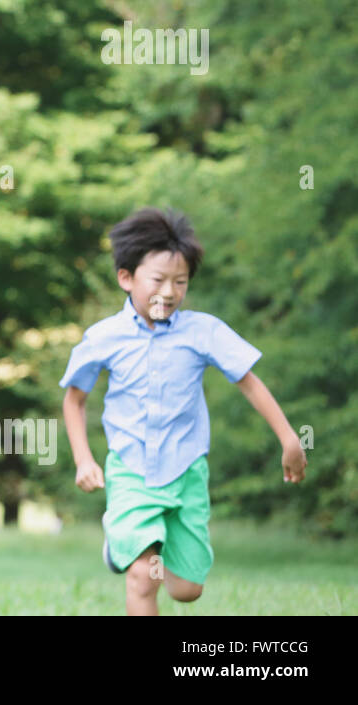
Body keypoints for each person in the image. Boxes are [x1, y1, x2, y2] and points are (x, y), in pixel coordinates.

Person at [60, 207, 307, 615]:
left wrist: (289, 439)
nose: (170, 292)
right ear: (126, 277)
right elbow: (74, 398)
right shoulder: (104, 337)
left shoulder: (203, 331)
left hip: (186, 469)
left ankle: (123, 549)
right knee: (143, 576)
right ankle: (132, 548)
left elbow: (248, 381)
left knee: (185, 589)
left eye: (181, 282)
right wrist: (83, 459)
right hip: (132, 467)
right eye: (158, 280)